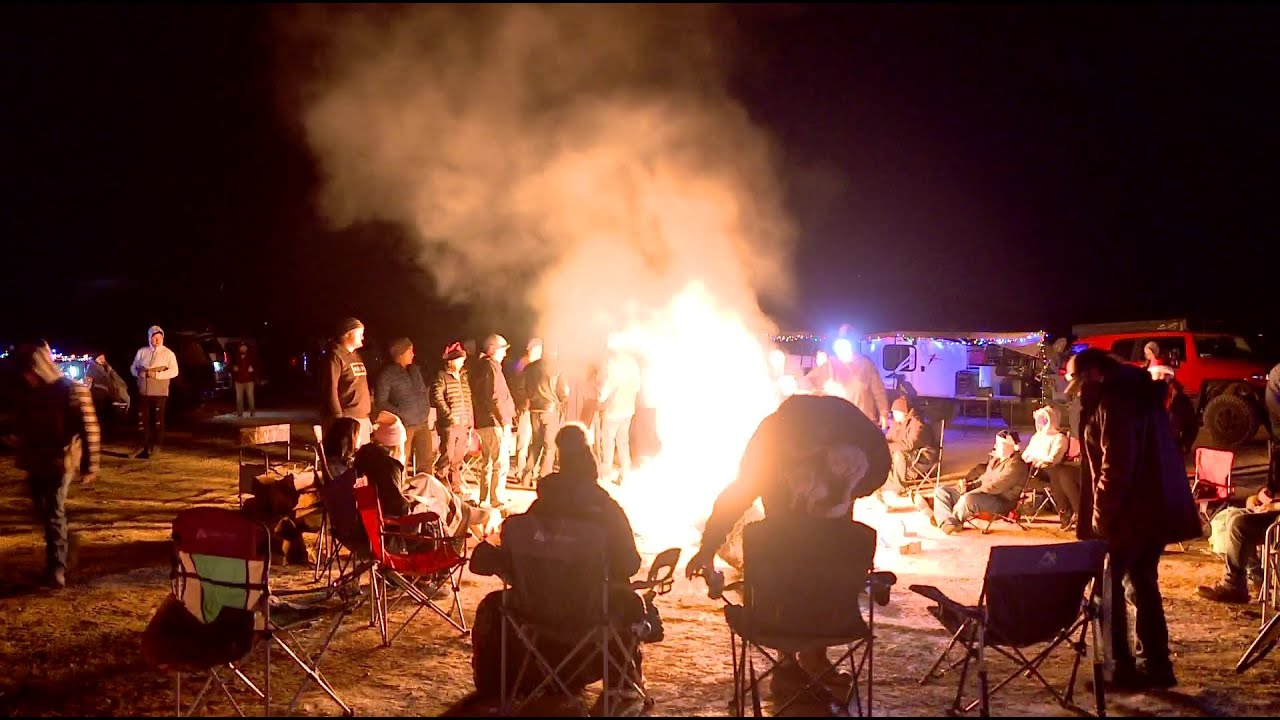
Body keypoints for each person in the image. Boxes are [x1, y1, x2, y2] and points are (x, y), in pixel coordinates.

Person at [685, 394, 890, 692]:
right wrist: (849, 490)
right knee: (801, 572)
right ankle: (800, 660)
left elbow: (740, 491)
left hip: (805, 537)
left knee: (799, 572)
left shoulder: (827, 428)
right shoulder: (789, 433)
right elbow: (741, 490)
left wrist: (708, 549)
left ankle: (796, 660)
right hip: (811, 536)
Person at [470, 423, 649, 702]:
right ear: (590, 460)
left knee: (495, 604)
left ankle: (500, 687)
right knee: (629, 603)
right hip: (586, 615)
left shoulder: (542, 506)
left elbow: (515, 555)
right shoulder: (606, 509)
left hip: (532, 612)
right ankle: (622, 684)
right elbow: (629, 564)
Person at [1066, 348, 1201, 690]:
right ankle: (1156, 665)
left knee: (1109, 589)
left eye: (1075, 380)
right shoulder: (1138, 395)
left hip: (1128, 515)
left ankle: (1120, 669)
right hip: (1148, 513)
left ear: (1094, 374)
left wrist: (1101, 518)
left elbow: (1117, 466)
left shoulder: (1116, 402)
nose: (1074, 389)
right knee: (1141, 583)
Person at [14, 343, 100, 589]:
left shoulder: (70, 390)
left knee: (53, 512)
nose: (26, 377)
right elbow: (24, 424)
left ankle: (56, 570)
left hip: (60, 461)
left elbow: (89, 427)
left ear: (39, 367)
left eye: (29, 371)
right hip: (35, 461)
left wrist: (89, 465)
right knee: (43, 510)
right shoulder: (30, 392)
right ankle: (66, 545)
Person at [924, 430, 1028, 535]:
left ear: (1011, 447)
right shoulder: (997, 460)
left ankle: (950, 522)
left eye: (999, 444)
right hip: (984, 495)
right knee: (941, 491)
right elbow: (984, 479)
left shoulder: (1016, 466)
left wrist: (970, 492)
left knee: (968, 499)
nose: (995, 446)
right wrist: (969, 486)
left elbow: (995, 487)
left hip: (1002, 501)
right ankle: (945, 521)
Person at [1198, 487, 1280, 604]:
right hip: (1271, 510)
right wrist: (1261, 498)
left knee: (1240, 525)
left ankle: (1240, 583)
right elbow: (1265, 489)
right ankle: (1243, 582)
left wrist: (1274, 507)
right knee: (1233, 515)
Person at [375, 338, 435, 474]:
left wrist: (426, 409)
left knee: (426, 460)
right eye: (410, 351)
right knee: (400, 460)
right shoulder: (387, 375)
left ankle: (426, 490)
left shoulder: (414, 370)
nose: (413, 354)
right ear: (400, 354)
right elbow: (381, 402)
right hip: (405, 425)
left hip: (422, 422)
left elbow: (422, 391)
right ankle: (398, 491)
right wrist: (401, 414)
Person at [469, 334, 516, 509]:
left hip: (484, 421)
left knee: (488, 461)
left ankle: (485, 498)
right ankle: (496, 498)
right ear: (493, 350)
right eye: (503, 350)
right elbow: (495, 396)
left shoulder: (482, 367)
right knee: (499, 461)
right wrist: (504, 421)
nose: (505, 354)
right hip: (493, 422)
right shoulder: (490, 367)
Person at [803, 337, 890, 431]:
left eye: (844, 347)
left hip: (864, 419)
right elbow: (810, 381)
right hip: (841, 420)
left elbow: (878, 391)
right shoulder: (831, 364)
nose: (842, 351)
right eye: (839, 349)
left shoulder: (866, 365)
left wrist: (883, 413)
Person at [516, 342, 570, 484]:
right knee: (550, 446)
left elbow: (520, 388)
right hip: (550, 410)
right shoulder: (558, 369)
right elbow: (564, 392)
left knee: (536, 443)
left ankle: (526, 476)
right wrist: (561, 401)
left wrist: (528, 401)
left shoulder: (530, 367)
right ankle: (544, 477)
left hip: (534, 410)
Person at [1022, 405, 1078, 529]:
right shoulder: (1036, 437)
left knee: (1056, 472)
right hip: (1031, 468)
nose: (1041, 423)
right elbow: (1025, 455)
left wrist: (1036, 460)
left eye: (1044, 420)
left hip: (1046, 470)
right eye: (1039, 420)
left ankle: (1066, 512)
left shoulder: (1059, 438)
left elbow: (1053, 459)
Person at [319, 318, 372, 446]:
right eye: (360, 334)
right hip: (347, 419)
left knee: (363, 461)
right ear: (348, 334)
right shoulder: (335, 356)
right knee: (348, 460)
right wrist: (339, 419)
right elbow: (330, 389)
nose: (363, 337)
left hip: (362, 417)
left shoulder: (355, 356)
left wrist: (368, 416)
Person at [130, 325, 179, 459]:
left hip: (159, 392)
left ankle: (156, 446)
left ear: (162, 338)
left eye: (159, 338)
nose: (156, 340)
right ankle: (142, 445)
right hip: (143, 392)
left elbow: (175, 371)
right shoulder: (142, 352)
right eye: (154, 338)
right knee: (142, 420)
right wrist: (138, 373)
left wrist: (157, 375)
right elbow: (132, 368)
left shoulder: (168, 353)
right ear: (149, 338)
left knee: (158, 420)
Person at [598, 338, 643, 485]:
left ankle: (605, 473)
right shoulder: (632, 365)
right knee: (623, 442)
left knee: (608, 442)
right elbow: (637, 386)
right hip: (628, 410)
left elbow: (607, 387)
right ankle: (625, 473)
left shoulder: (612, 365)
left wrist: (601, 398)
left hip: (613, 410)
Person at [432, 342, 474, 494]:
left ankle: (455, 488)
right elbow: (437, 397)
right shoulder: (441, 376)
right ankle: (441, 489)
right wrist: (449, 416)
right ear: (451, 361)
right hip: (449, 425)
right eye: (460, 359)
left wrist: (469, 419)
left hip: (463, 424)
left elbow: (468, 398)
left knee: (457, 458)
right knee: (446, 457)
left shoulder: (463, 377)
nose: (463, 362)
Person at [882, 396, 938, 501]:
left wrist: (888, 446)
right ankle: (885, 483)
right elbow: (889, 437)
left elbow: (909, 445)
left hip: (923, 456)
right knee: (883, 451)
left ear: (904, 412)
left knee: (898, 454)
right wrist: (882, 443)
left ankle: (899, 488)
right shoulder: (897, 423)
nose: (894, 415)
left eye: (896, 412)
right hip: (909, 453)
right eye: (893, 412)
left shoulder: (917, 424)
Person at [1149, 365, 1198, 457]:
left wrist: (1184, 446)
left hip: (1171, 451)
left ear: (1170, 381)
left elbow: (1192, 427)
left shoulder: (1181, 401)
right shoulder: (1142, 399)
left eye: (1159, 380)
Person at [511, 339, 541, 484]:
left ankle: (532, 471)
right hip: (527, 409)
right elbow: (519, 387)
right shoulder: (524, 364)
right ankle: (520, 471)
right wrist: (525, 402)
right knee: (524, 441)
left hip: (535, 409)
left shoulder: (538, 366)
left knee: (535, 441)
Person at [85, 353, 129, 436]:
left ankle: (109, 433)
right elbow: (89, 382)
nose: (102, 359)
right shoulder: (92, 368)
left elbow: (115, 378)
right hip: (99, 396)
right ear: (96, 358)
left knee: (108, 416)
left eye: (103, 357)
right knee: (102, 416)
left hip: (108, 396)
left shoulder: (106, 368)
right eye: (100, 357)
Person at [229, 342, 257, 417]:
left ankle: (252, 412)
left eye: (244, 347)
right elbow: (230, 365)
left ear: (247, 348)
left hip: (249, 380)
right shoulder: (235, 356)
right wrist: (233, 368)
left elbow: (257, 365)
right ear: (239, 348)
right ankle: (239, 412)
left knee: (250, 396)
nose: (243, 348)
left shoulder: (251, 356)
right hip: (239, 380)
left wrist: (253, 369)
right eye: (241, 347)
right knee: (239, 397)